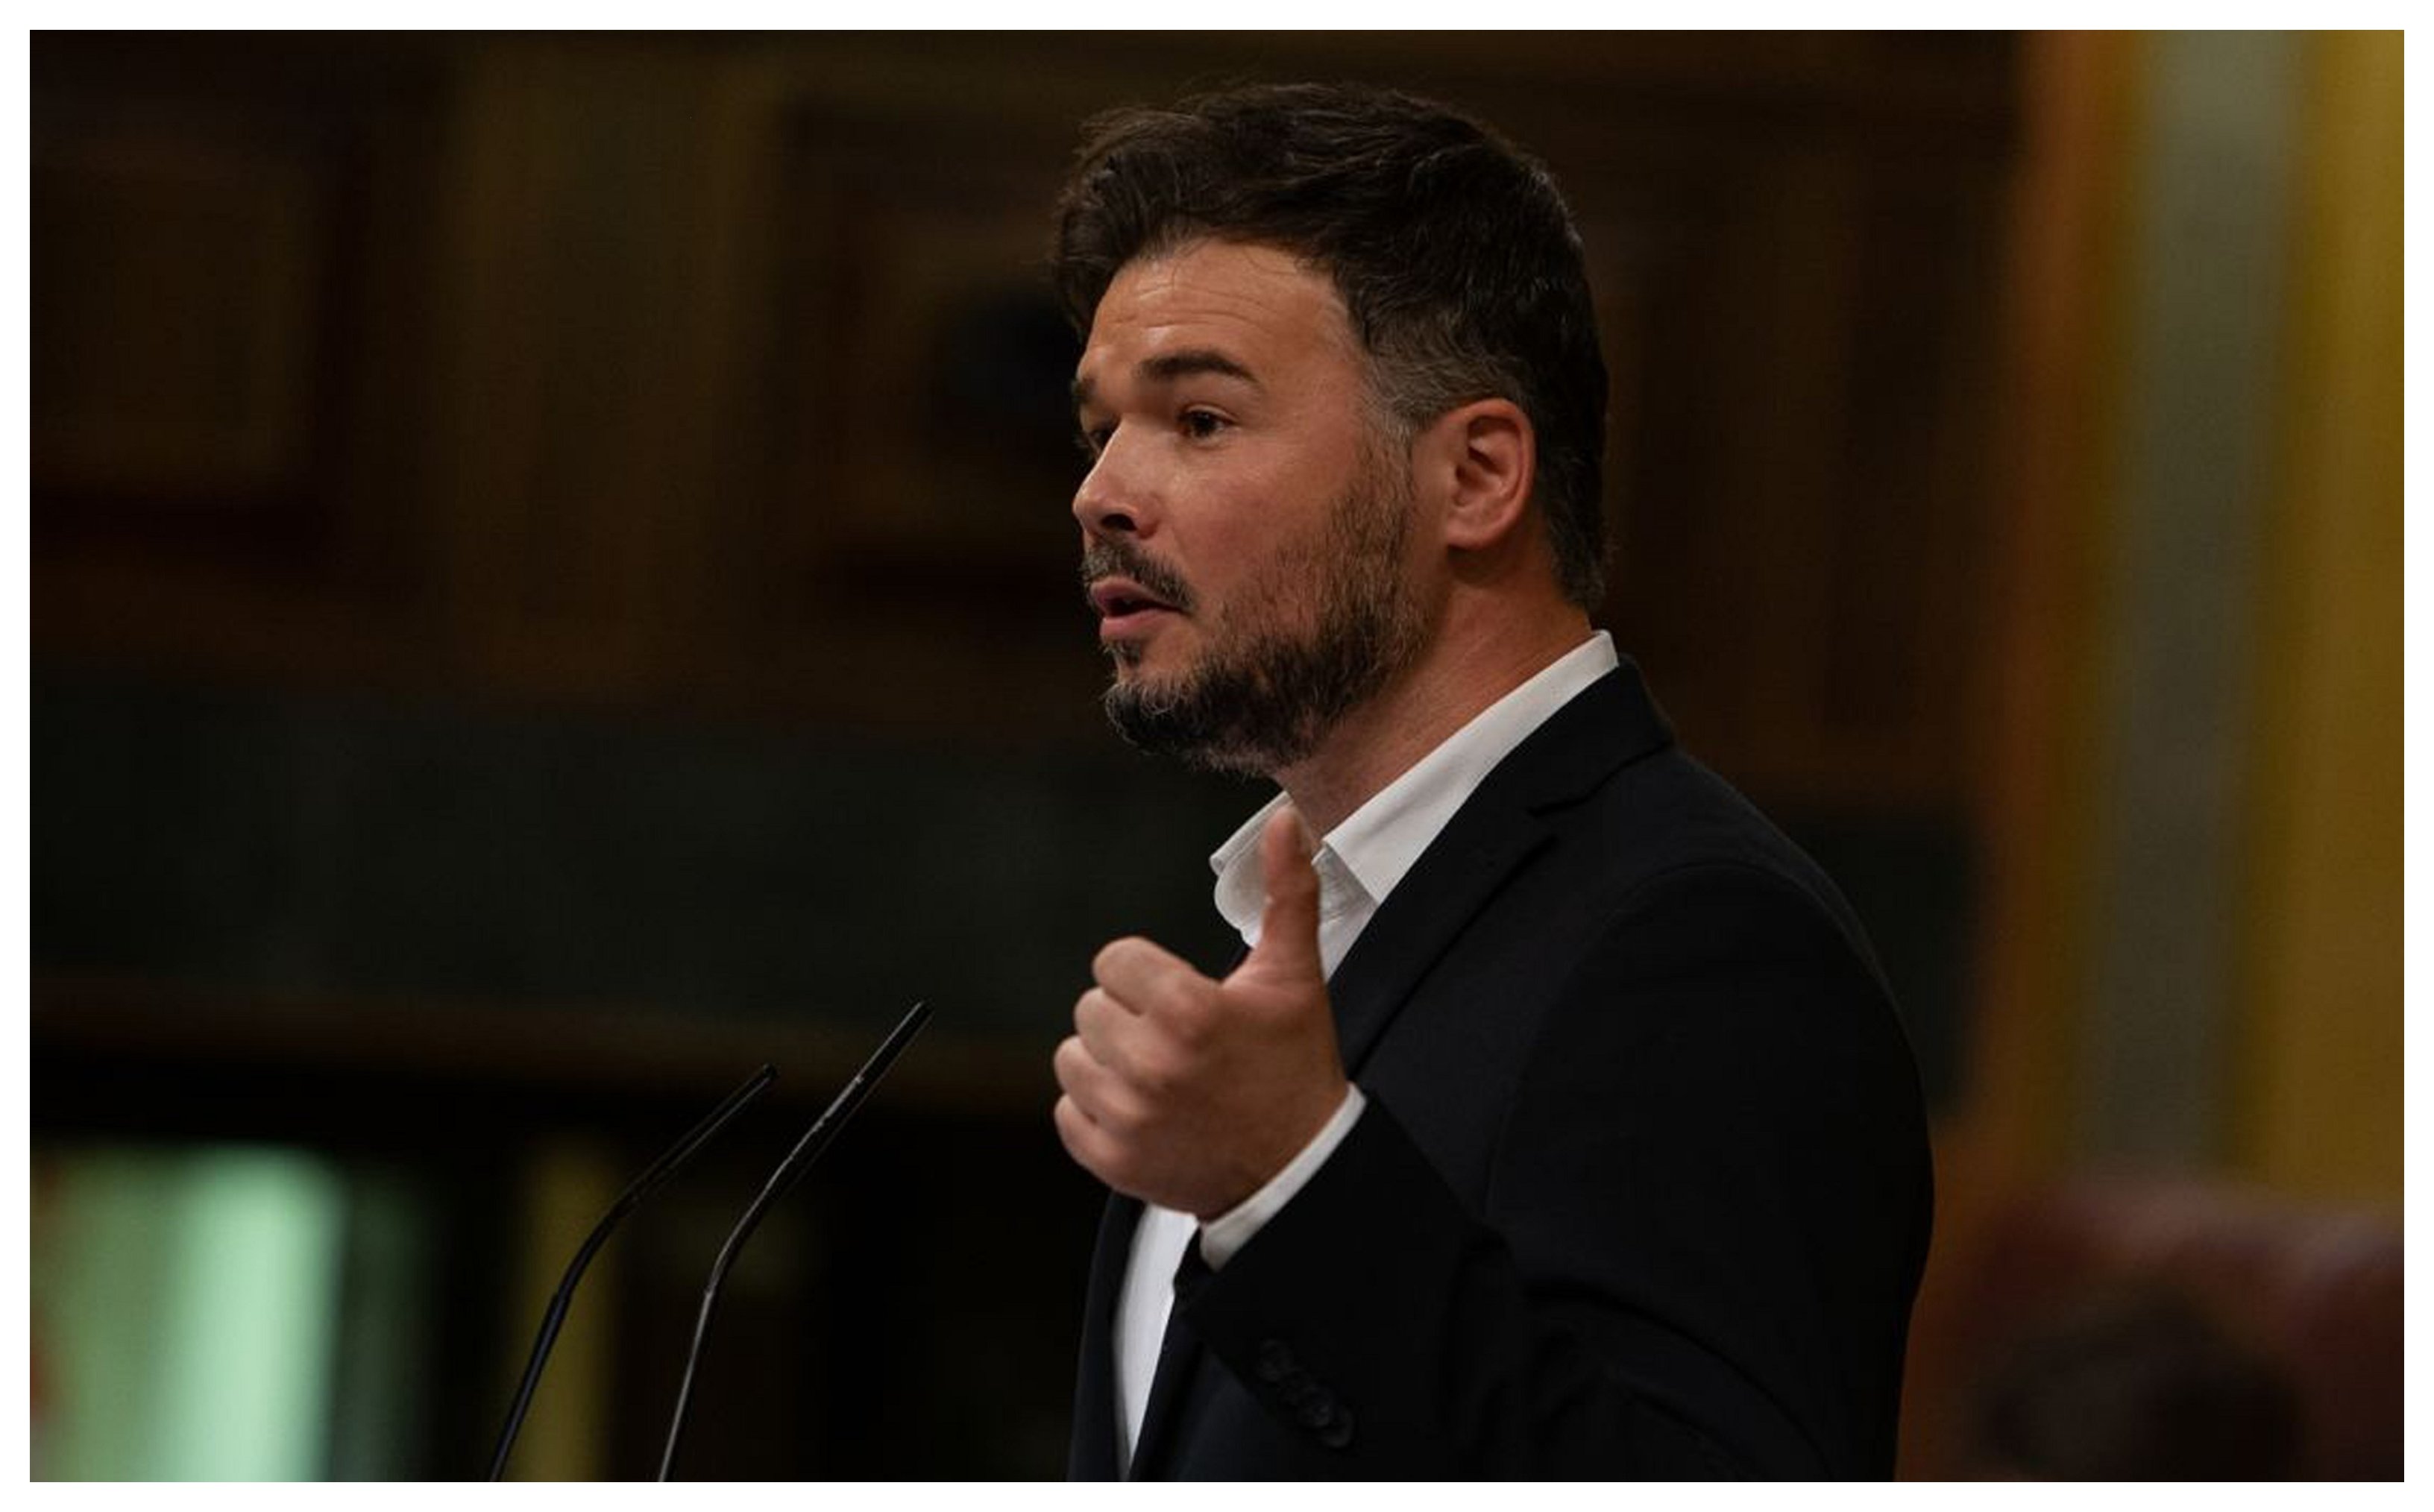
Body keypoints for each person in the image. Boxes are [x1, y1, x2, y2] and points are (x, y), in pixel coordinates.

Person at [1046, 82, 1932, 1480]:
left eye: (1200, 419)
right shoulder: (1297, 936)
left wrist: (1291, 1189)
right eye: (1101, 428)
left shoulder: (1698, 941)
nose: (1101, 491)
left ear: (1474, 476)